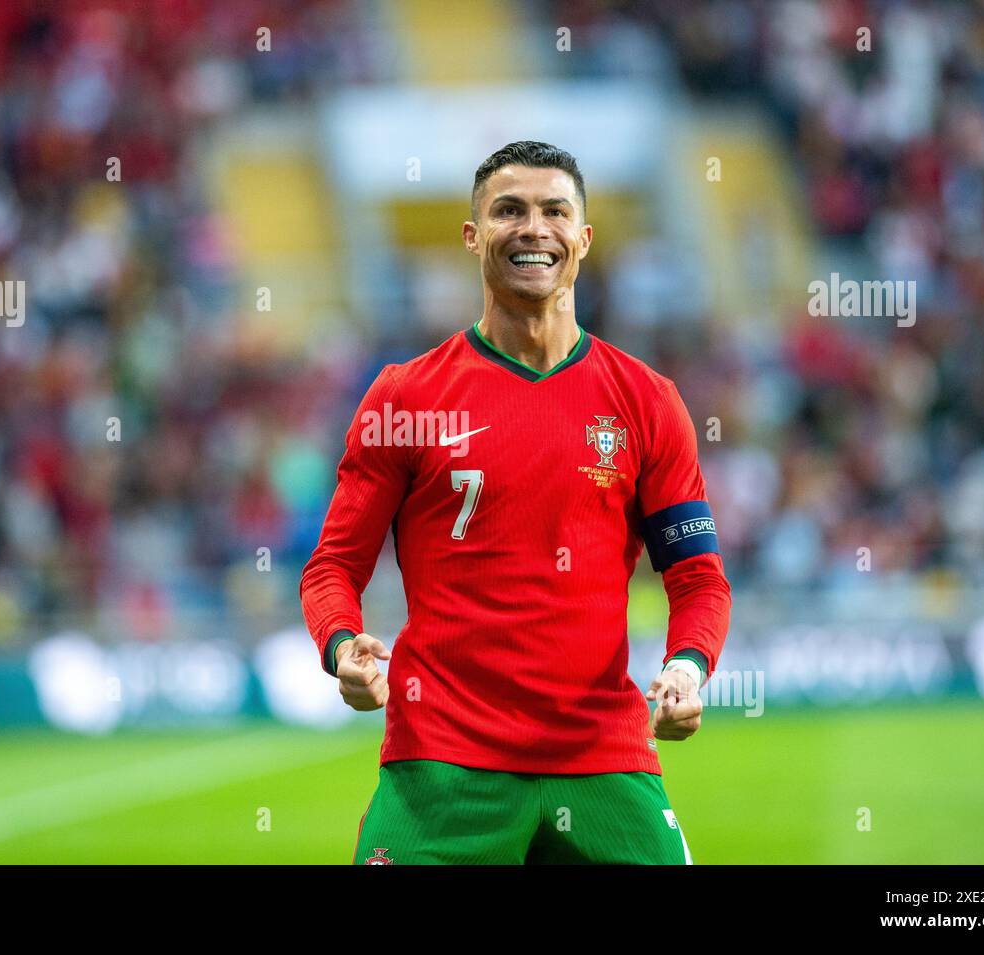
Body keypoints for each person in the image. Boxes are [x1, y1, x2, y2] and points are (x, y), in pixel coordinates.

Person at [300, 141, 731, 864]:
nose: (534, 228)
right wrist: (343, 647)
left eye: (555, 211)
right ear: (473, 236)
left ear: (584, 239)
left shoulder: (648, 401)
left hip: (603, 758)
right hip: (441, 762)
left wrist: (687, 668)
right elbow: (332, 568)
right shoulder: (406, 396)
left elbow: (698, 577)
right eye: (509, 210)